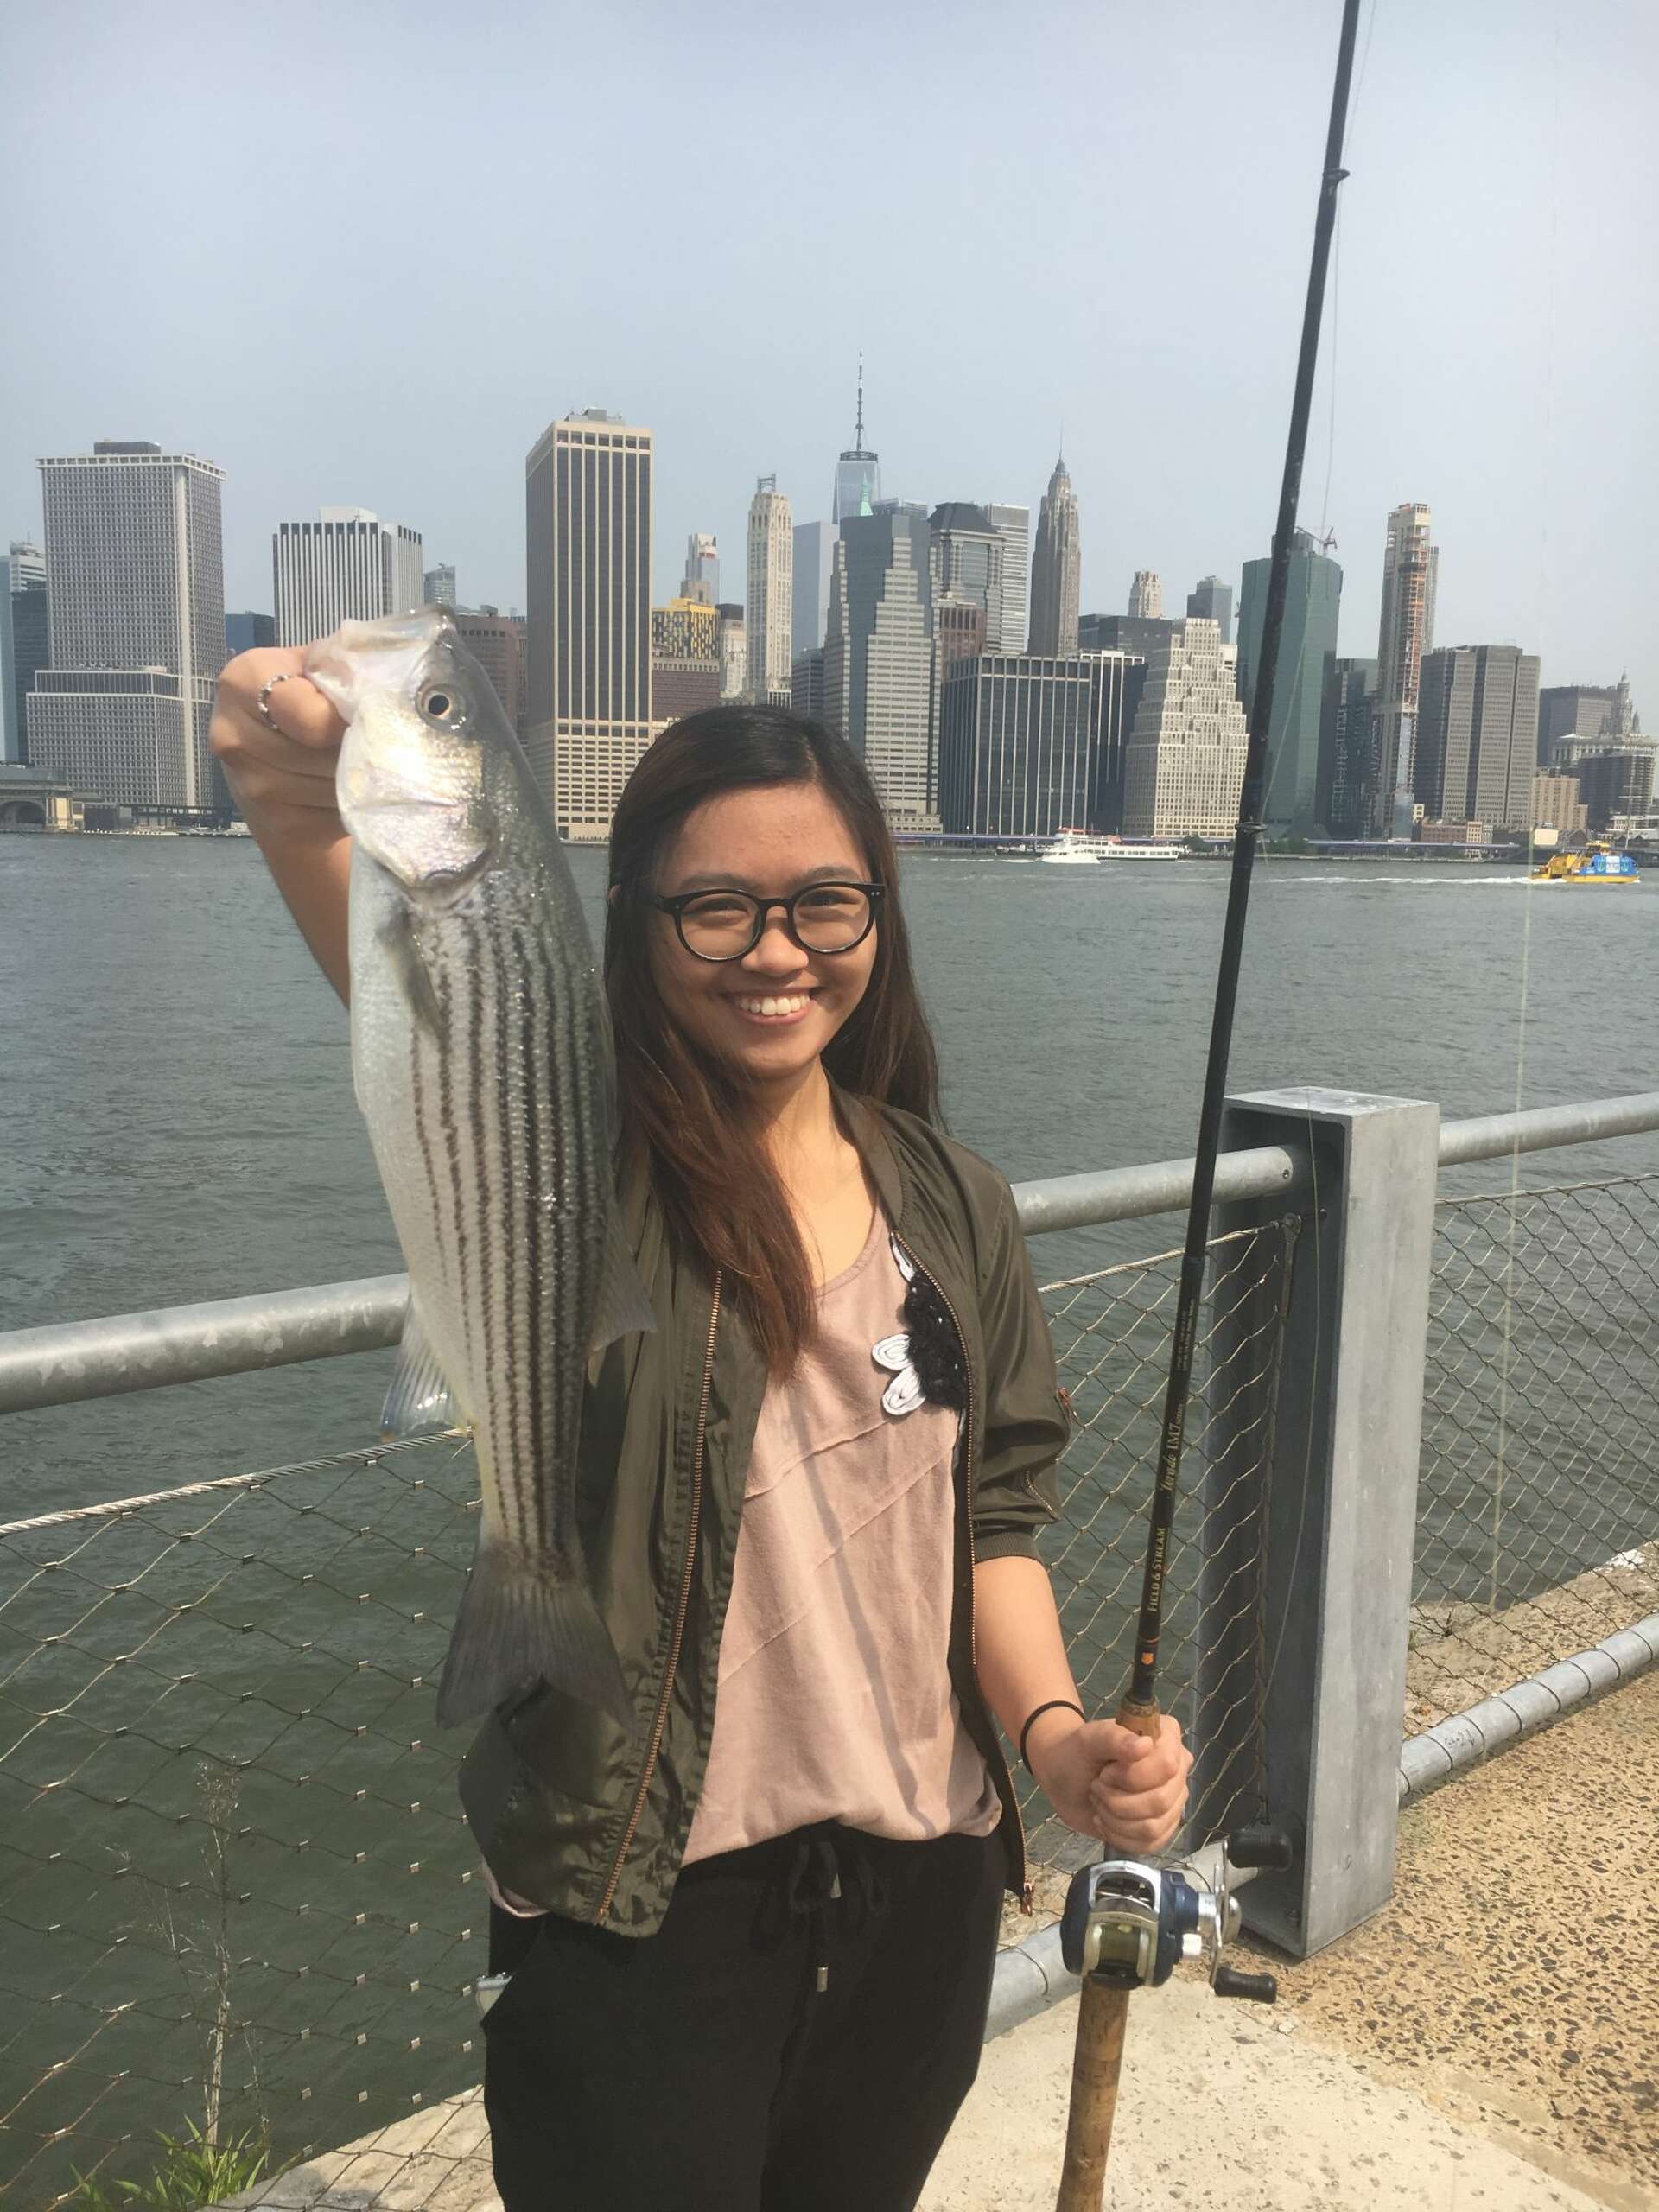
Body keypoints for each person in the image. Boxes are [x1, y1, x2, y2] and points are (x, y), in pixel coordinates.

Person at [211, 651, 1192, 2212]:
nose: (774, 952)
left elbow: (992, 1521)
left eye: (824, 901)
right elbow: (404, 940)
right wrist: (280, 770)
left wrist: (1059, 1740)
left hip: (919, 1892)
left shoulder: (958, 1203)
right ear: (640, 929)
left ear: (878, 910)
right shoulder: (578, 1149)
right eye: (715, 908)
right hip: (637, 1905)